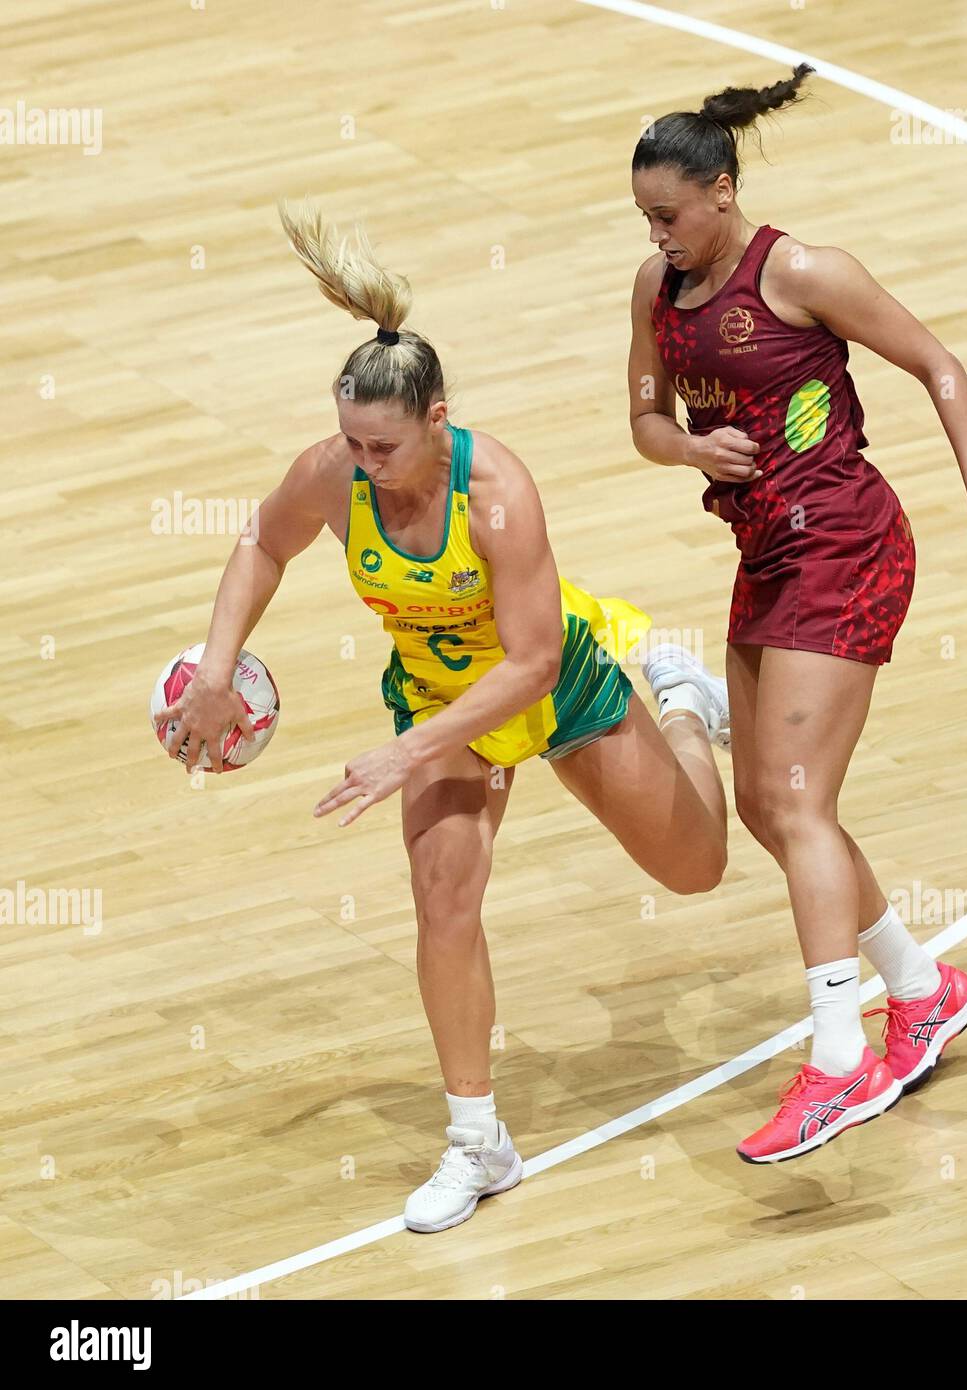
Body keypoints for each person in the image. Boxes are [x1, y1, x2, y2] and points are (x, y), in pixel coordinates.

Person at [155, 198, 733, 1227]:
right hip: (434, 694)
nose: (362, 465)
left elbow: (532, 659)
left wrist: (402, 756)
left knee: (696, 870)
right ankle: (479, 1141)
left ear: (437, 420)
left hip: (551, 686)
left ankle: (681, 699)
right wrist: (217, 664)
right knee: (443, 893)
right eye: (350, 444)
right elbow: (262, 542)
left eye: (381, 446)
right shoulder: (334, 475)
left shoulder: (496, 492)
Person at [627, 66, 967, 1163]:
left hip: (845, 541)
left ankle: (837, 1062)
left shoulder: (806, 272)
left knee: (791, 796)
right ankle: (922, 990)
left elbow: (939, 365)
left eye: (670, 215)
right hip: (764, 551)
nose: (659, 234)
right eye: (645, 218)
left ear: (722, 191)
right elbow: (641, 416)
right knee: (771, 814)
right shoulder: (654, 287)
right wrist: (688, 445)